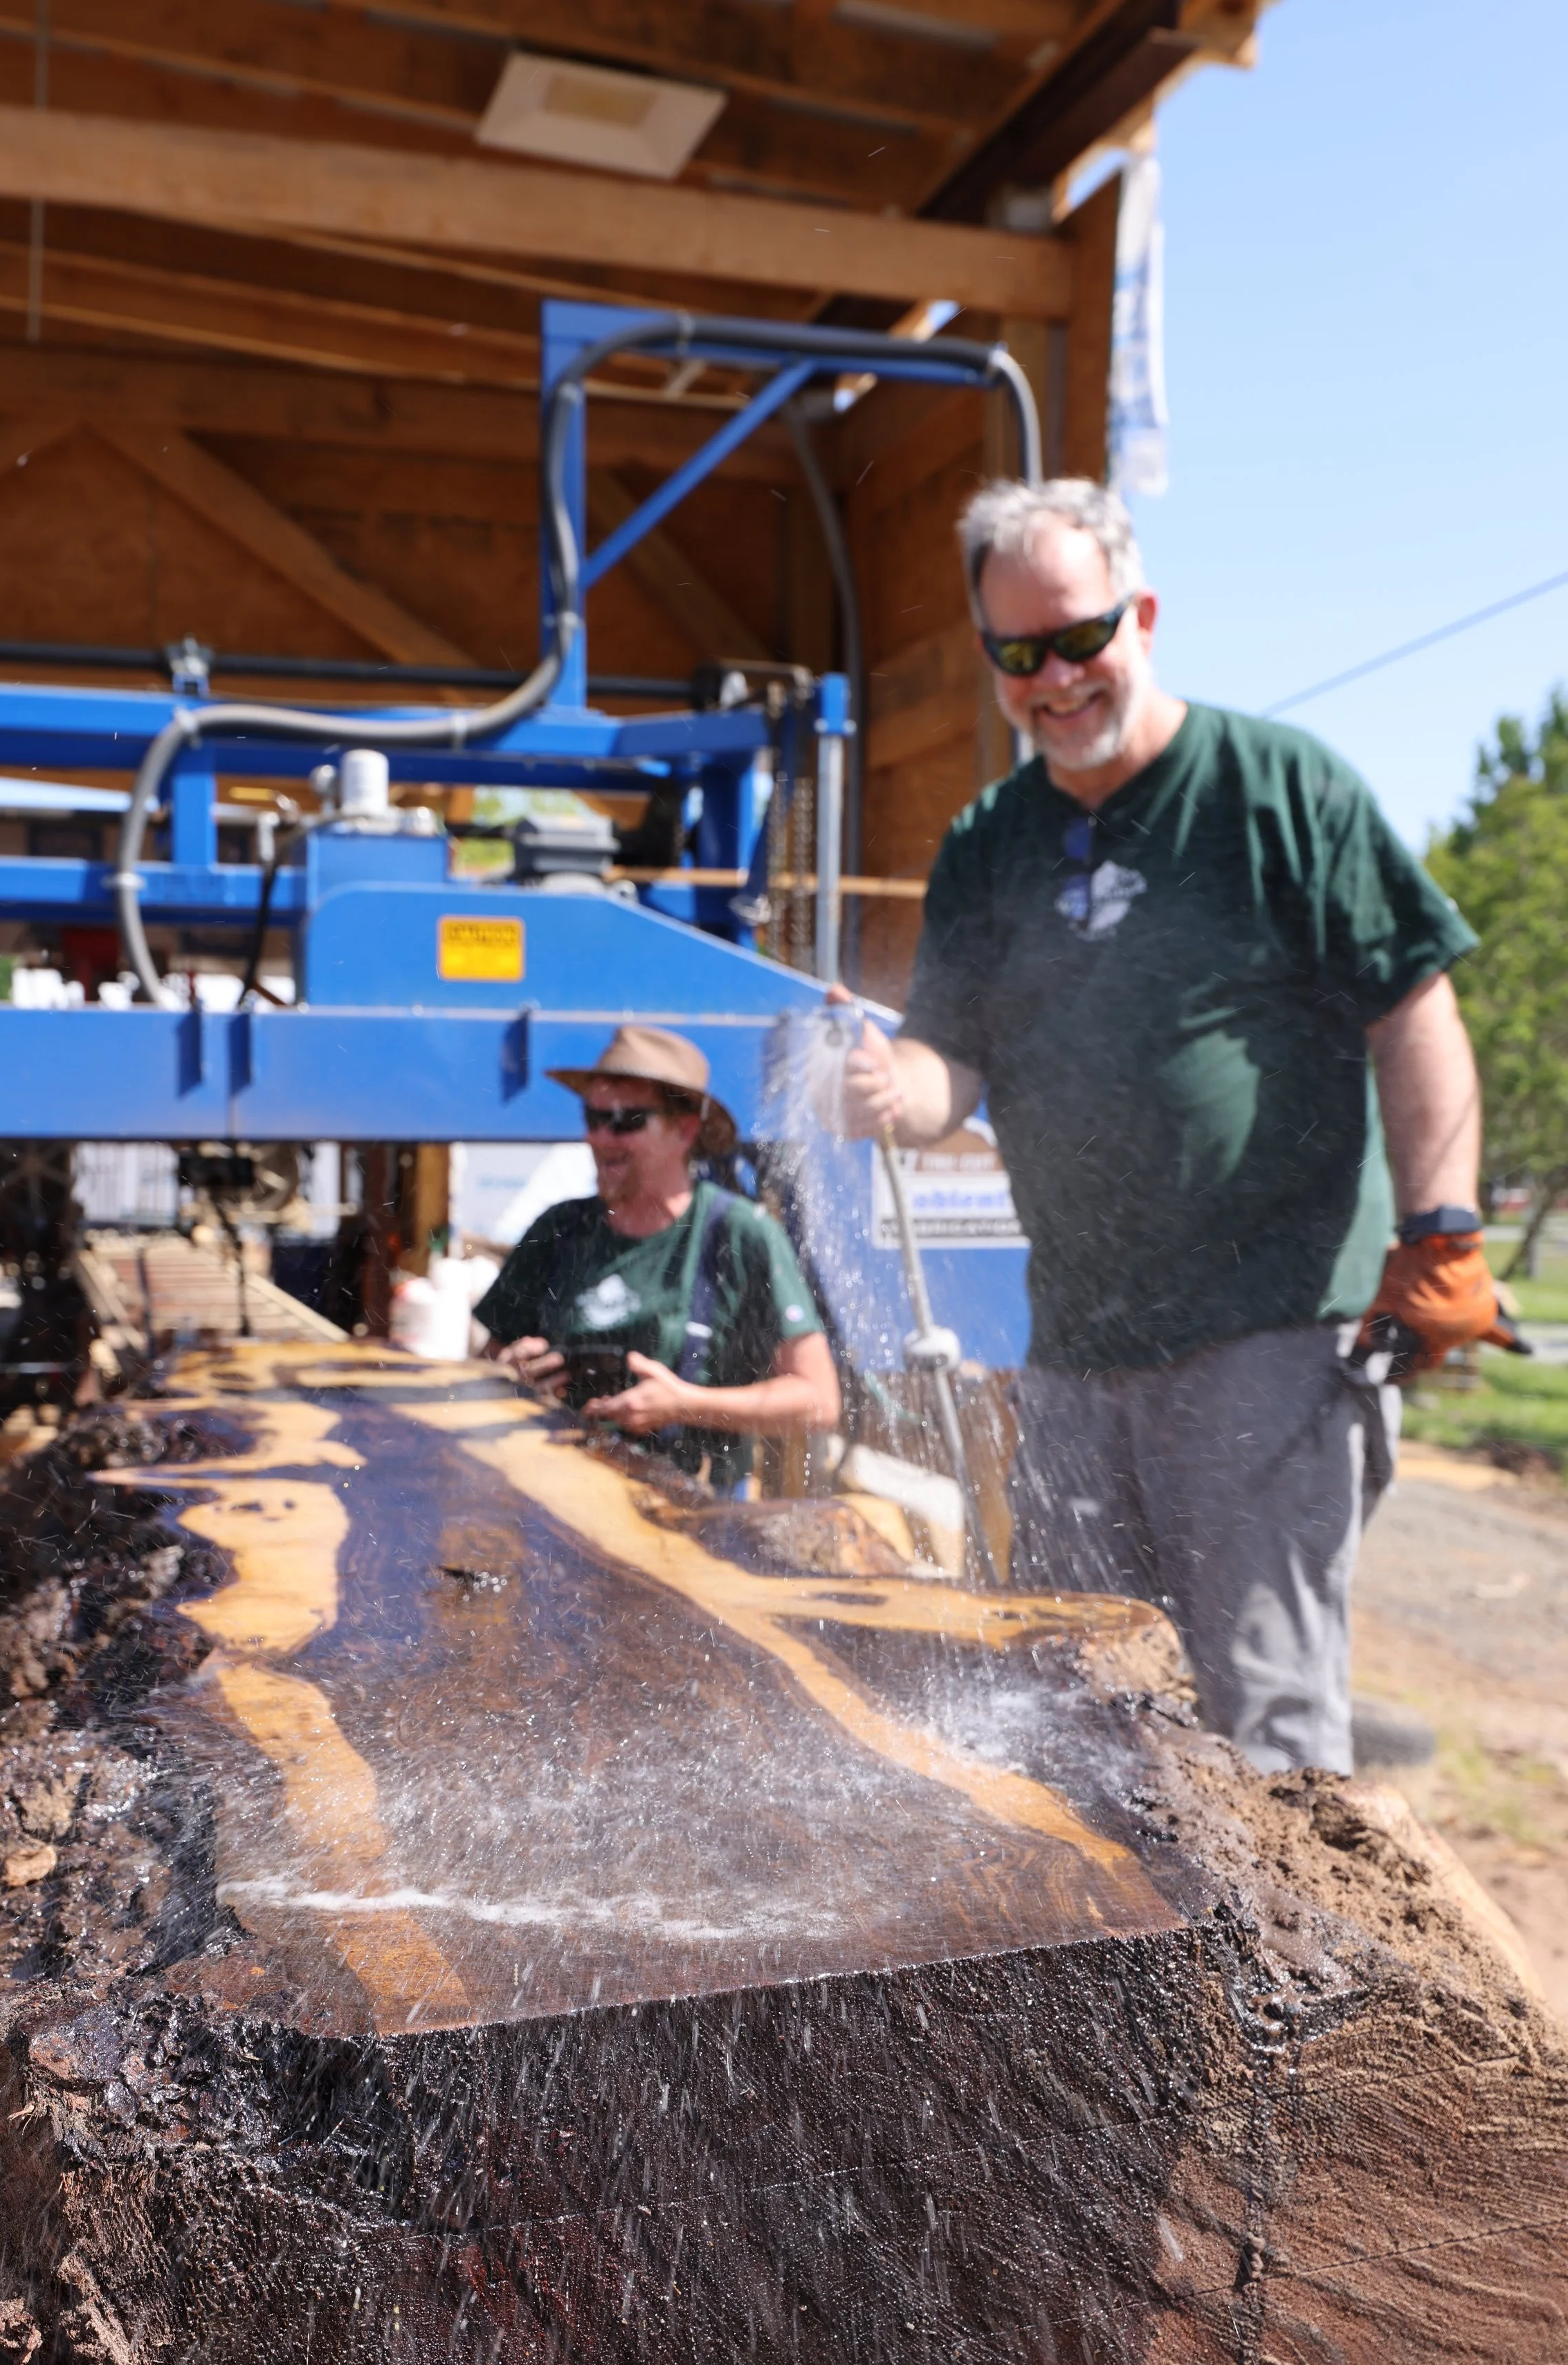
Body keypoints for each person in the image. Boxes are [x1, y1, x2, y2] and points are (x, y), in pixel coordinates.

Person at [832, 477, 1517, 1775]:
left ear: (1141, 614)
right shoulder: (991, 842)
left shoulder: (1278, 788)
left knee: (1261, 1730)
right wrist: (888, 1087)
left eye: (1081, 636)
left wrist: (1443, 1233)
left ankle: (1296, 1987)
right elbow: (945, 1070)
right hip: (1080, 1347)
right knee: (1076, 1709)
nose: (1059, 677)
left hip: (1269, 1335)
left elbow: (1417, 1009)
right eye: (1020, 654)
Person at [475, 1025, 839, 1489]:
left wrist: (684, 1404)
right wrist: (508, 1374)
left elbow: (818, 1401)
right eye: (593, 1118)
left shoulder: (741, 1234)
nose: (601, 1138)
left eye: (626, 1121)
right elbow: (482, 1367)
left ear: (684, 1129)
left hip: (694, 1520)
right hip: (558, 1505)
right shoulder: (557, 1230)